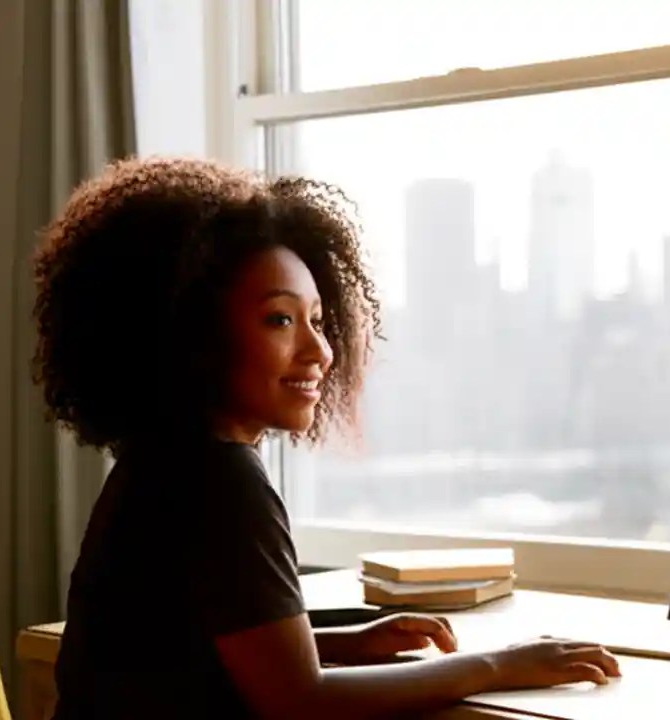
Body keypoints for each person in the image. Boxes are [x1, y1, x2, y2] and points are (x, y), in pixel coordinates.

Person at [33, 156, 621, 719]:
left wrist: (341, 643)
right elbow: (299, 703)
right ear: (191, 332)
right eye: (280, 319)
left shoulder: (160, 465)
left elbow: (185, 653)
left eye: (318, 320)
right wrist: (496, 665)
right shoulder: (223, 482)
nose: (320, 350)